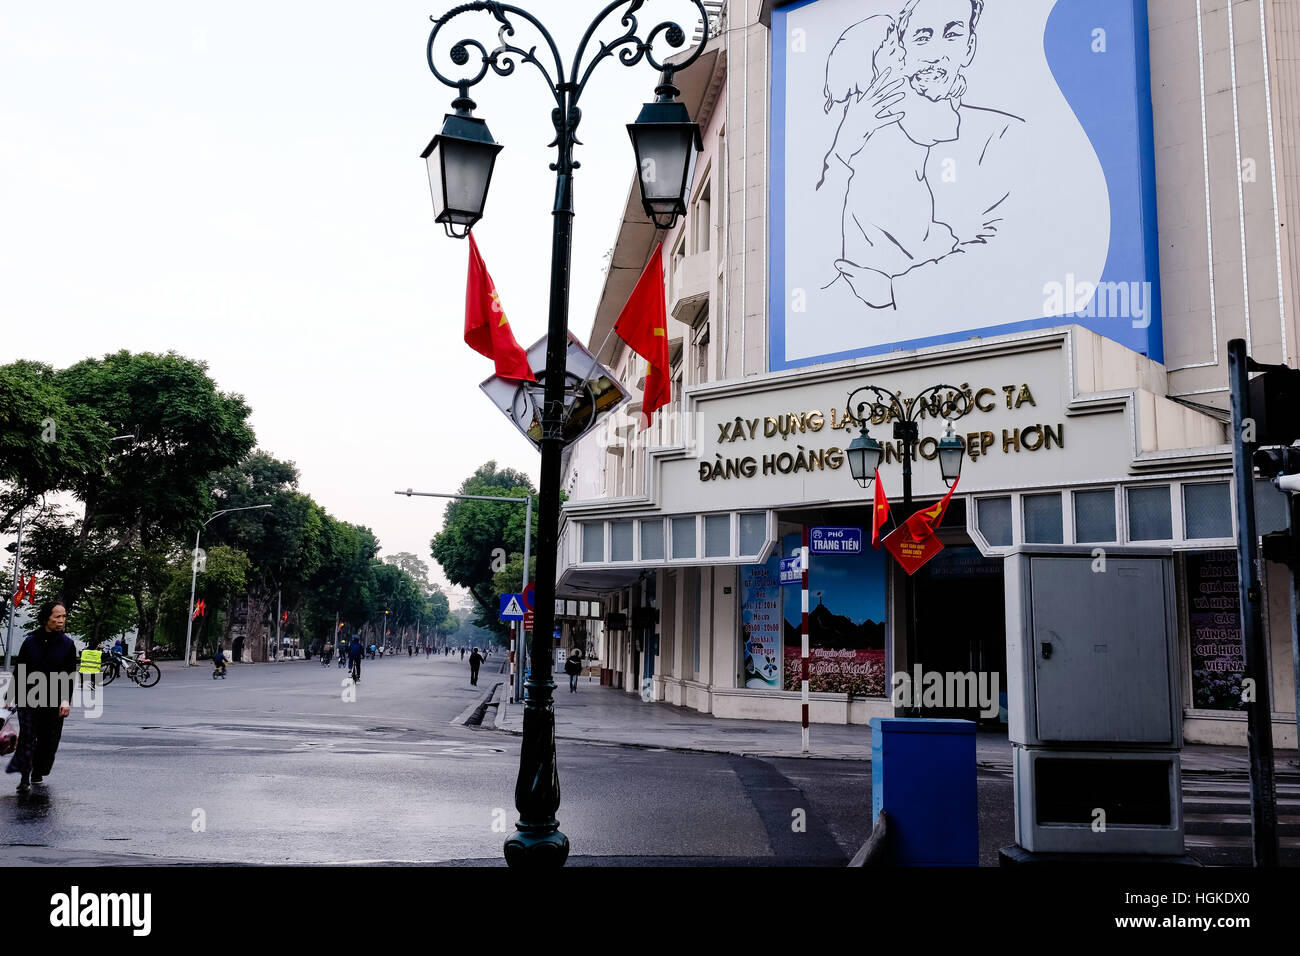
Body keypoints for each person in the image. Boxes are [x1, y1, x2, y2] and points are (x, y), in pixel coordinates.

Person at [6, 600, 77, 792]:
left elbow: (69, 676)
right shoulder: (30, 642)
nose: (62, 620)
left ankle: (38, 770)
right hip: (28, 698)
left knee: (48, 740)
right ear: (47, 618)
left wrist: (65, 700)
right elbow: (19, 670)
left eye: (64, 616)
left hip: (53, 700)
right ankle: (24, 778)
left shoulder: (68, 645)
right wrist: (9, 697)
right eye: (57, 617)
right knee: (28, 737)